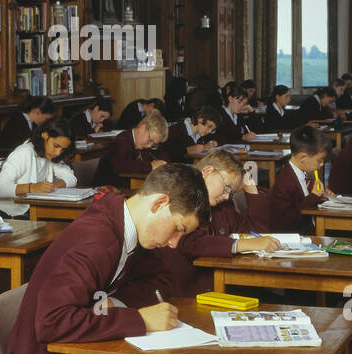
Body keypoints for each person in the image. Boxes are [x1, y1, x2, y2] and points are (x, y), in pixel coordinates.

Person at [0, 165, 210, 354]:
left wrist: (116, 304)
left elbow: (162, 280)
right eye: (178, 229)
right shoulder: (96, 240)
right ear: (159, 203)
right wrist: (139, 320)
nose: (173, 243)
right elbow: (51, 322)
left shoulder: (126, 221)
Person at [114, 150, 278, 306]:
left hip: (216, 286)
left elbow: (256, 235)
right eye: (226, 186)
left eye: (232, 192)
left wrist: (252, 190)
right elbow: (190, 241)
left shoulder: (223, 206)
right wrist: (244, 245)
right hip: (177, 288)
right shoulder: (181, 195)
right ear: (208, 171)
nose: (227, 195)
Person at [0, 117, 77, 218]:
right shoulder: (24, 153)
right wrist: (32, 187)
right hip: (11, 214)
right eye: (56, 145)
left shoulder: (50, 153)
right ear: (45, 135)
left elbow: (71, 178)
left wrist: (55, 185)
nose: (58, 153)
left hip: (34, 211)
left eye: (63, 149)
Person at [267, 126, 333, 232]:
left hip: (312, 230)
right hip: (296, 237)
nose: (322, 164)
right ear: (303, 157)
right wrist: (314, 196)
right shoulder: (285, 182)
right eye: (319, 160)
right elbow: (288, 221)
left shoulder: (304, 174)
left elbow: (303, 201)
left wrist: (322, 197)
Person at [94, 112, 168, 187]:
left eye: (154, 144)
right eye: (150, 140)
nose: (149, 145)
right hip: (108, 188)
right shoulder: (122, 140)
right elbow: (119, 165)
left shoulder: (142, 144)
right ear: (142, 127)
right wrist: (149, 166)